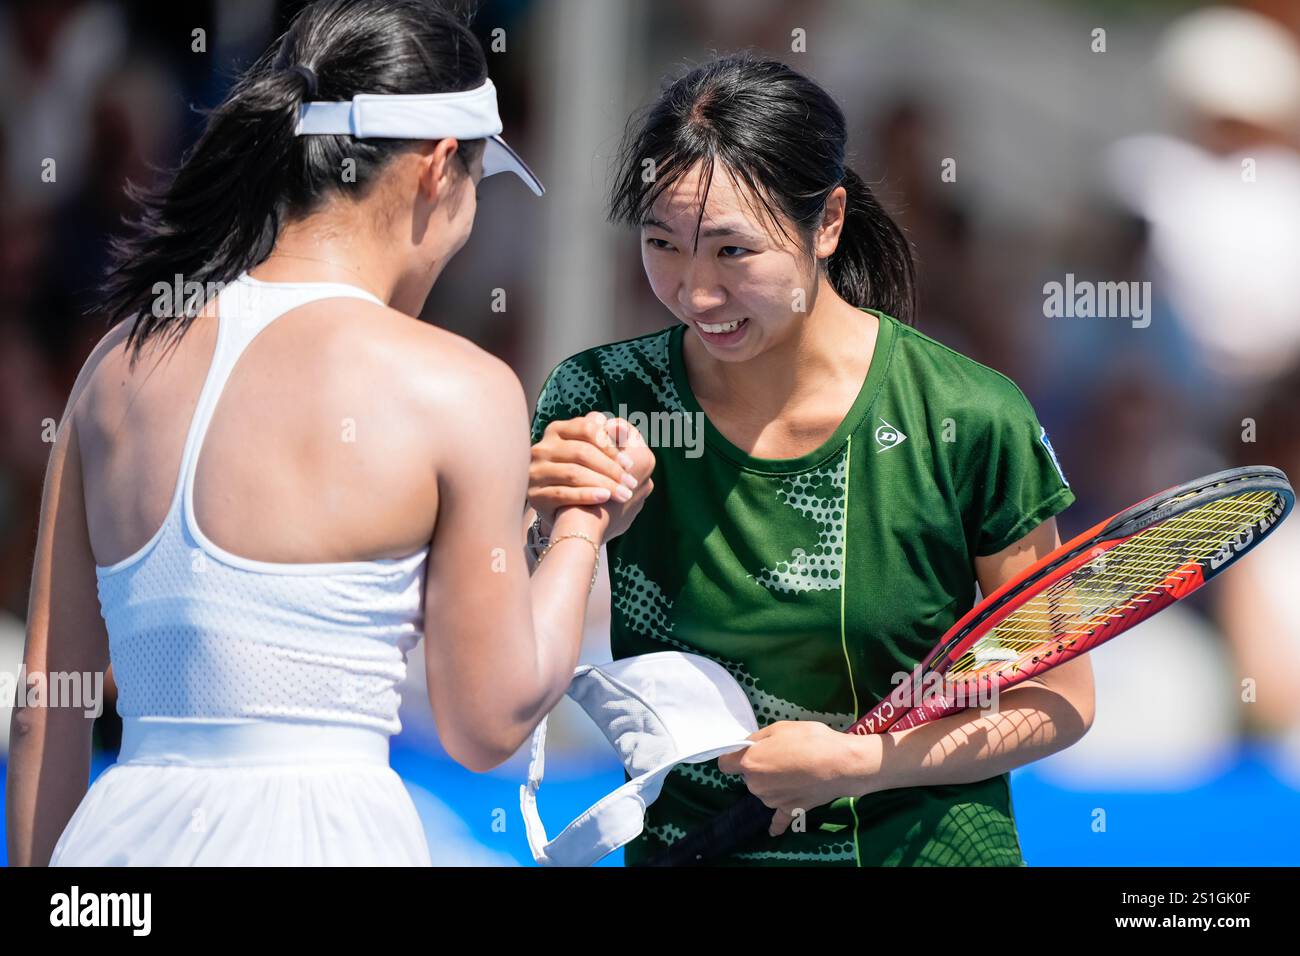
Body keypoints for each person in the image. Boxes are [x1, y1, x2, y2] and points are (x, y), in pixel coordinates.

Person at [6, 0, 652, 866]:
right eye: (476, 185)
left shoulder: (116, 366)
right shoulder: (457, 389)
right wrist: (582, 523)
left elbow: (48, 703)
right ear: (437, 168)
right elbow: (487, 720)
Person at [527, 53, 1094, 866]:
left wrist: (864, 764)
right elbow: (507, 670)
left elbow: (1059, 696)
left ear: (826, 223)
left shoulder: (967, 416)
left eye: (732, 251)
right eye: (662, 244)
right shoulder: (602, 397)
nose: (695, 292)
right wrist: (553, 530)